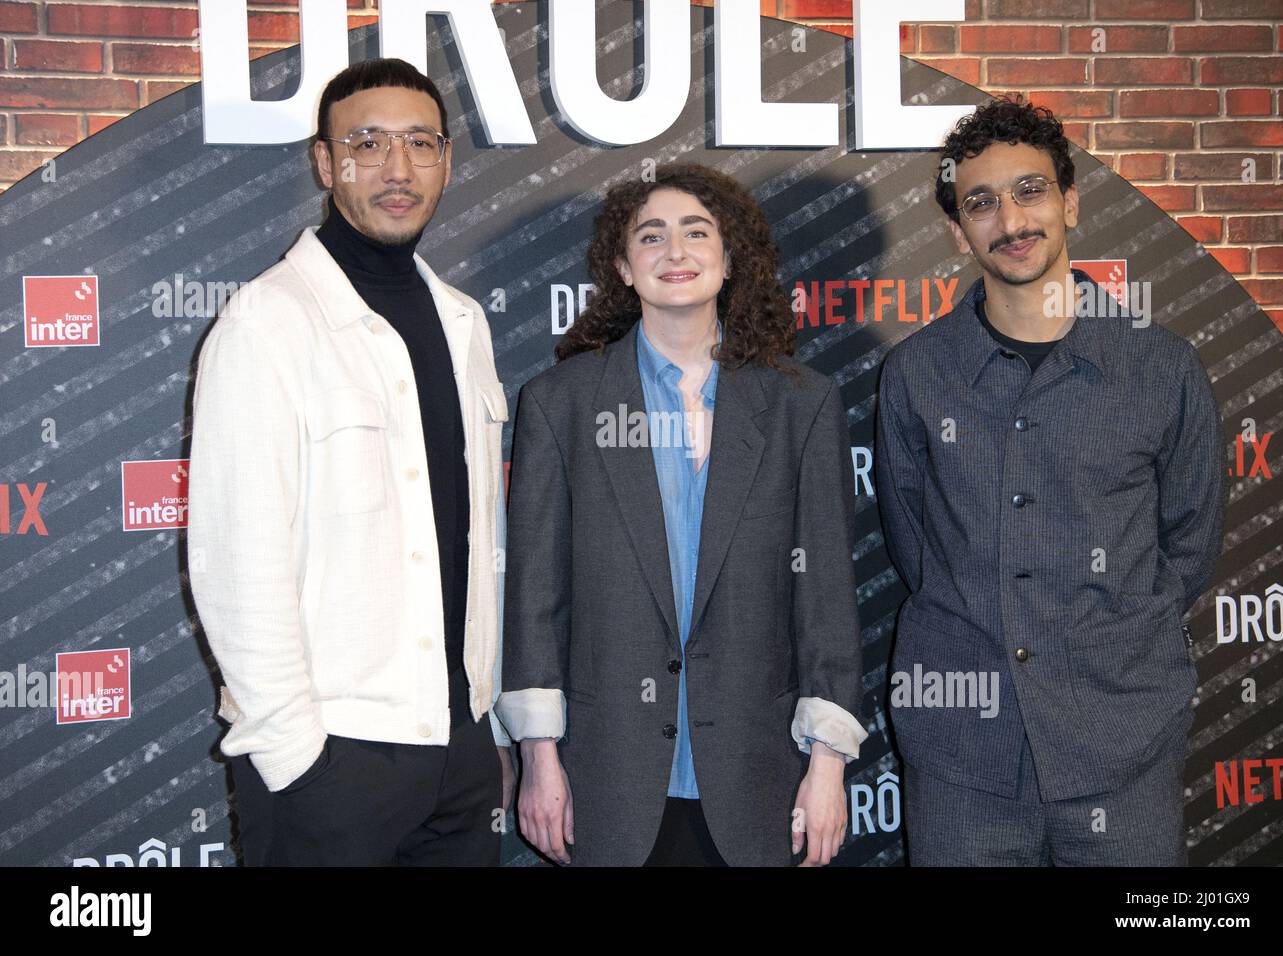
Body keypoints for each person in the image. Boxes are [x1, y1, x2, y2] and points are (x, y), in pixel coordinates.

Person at [874, 95, 1225, 865]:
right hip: (963, 748)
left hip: (1121, 742)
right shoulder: (917, 376)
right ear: (956, 231)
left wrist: (1111, 639)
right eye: (981, 203)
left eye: (1030, 191)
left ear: (1069, 202)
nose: (1011, 219)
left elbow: (1190, 541)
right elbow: (915, 543)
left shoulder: (1160, 367)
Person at [187, 58, 514, 866]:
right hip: (332, 757)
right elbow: (236, 565)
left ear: (445, 160)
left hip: (460, 747)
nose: (396, 168)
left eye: (419, 143)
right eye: (366, 143)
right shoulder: (268, 323)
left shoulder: (463, 320)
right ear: (326, 164)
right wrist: (300, 760)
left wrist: (482, 724)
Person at [495, 163, 868, 867]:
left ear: (730, 260)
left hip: (761, 781)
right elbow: (536, 601)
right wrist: (540, 759)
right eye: (652, 236)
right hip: (608, 780)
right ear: (623, 268)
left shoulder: (800, 404)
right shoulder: (560, 404)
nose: (676, 253)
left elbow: (825, 602)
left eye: (698, 233)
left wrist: (827, 766)